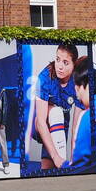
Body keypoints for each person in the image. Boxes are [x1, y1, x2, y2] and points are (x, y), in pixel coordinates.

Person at [29, 44, 83, 176]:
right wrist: (55, 156)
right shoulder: (45, 77)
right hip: (40, 123)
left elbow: (75, 127)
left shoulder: (78, 80)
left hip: (61, 124)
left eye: (65, 62)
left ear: (74, 64)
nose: (59, 66)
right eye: (57, 59)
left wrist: (72, 159)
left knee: (53, 168)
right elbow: (41, 121)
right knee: (55, 113)